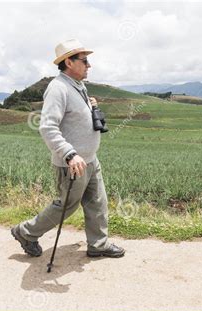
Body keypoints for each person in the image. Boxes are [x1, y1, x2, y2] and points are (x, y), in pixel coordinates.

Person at [11, 39, 125, 258]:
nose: (89, 65)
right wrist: (70, 154)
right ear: (69, 63)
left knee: (97, 201)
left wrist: (91, 106)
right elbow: (47, 127)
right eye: (84, 60)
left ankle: (98, 245)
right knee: (66, 206)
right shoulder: (57, 88)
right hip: (72, 162)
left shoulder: (78, 86)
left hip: (90, 159)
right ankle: (25, 232)